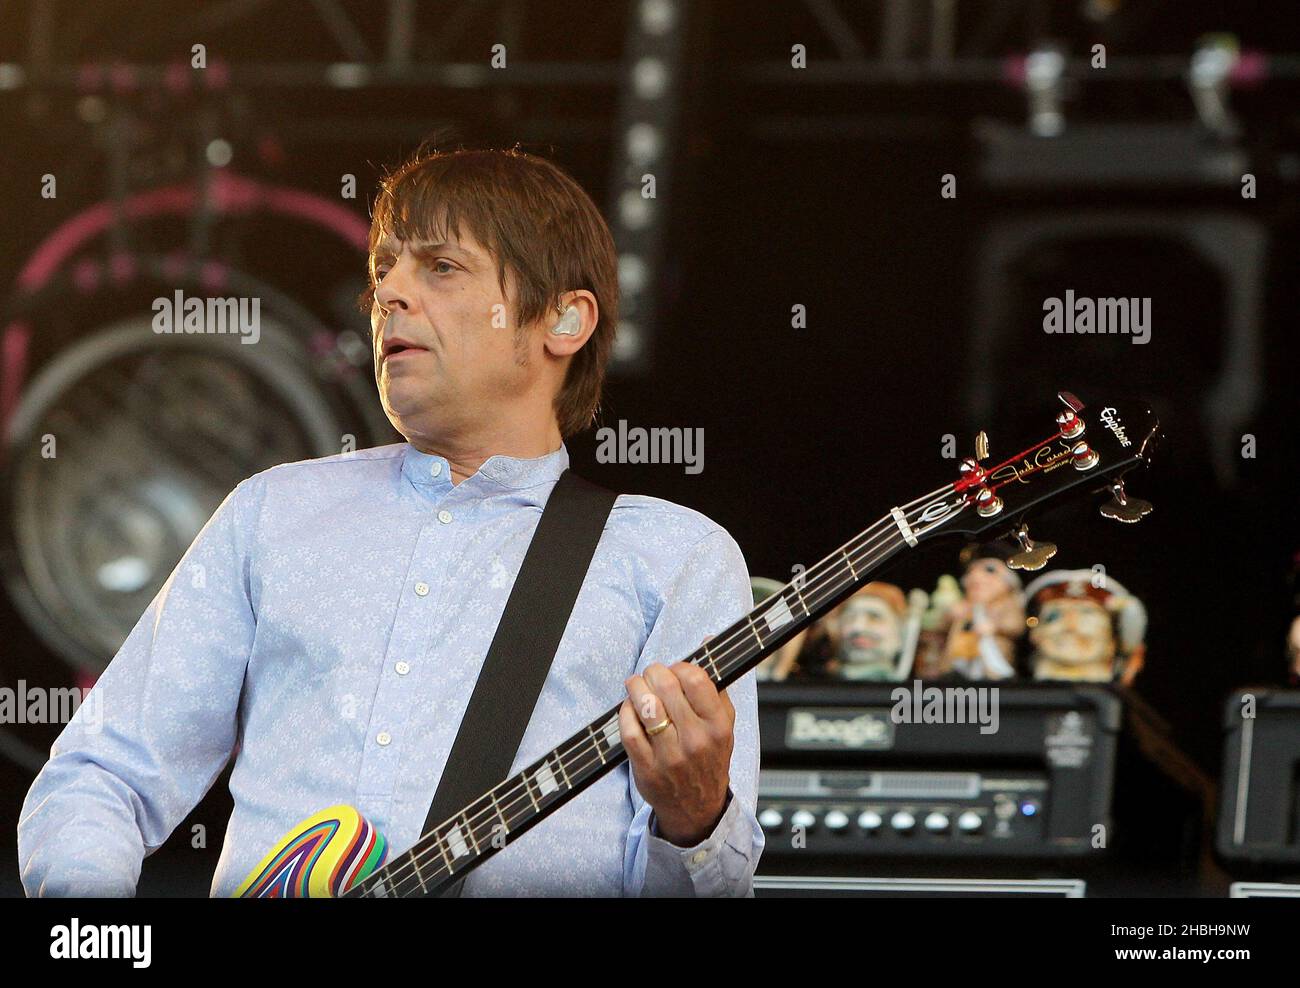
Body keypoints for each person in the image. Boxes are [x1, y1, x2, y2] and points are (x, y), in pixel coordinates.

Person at [18, 145, 764, 897]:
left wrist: (695, 816)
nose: (389, 294)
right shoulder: (271, 512)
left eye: (440, 267)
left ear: (564, 319)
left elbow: (711, 889)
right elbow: (103, 773)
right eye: (384, 270)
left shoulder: (673, 558)